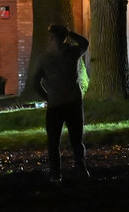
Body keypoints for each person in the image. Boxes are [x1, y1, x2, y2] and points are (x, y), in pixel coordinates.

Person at [32, 24, 90, 184]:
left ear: (51, 37)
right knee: (76, 140)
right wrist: (70, 33)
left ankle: (55, 174)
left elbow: (35, 82)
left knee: (53, 142)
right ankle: (81, 169)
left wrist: (47, 97)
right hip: (73, 101)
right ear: (64, 37)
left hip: (55, 104)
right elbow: (85, 43)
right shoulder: (72, 52)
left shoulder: (44, 58)